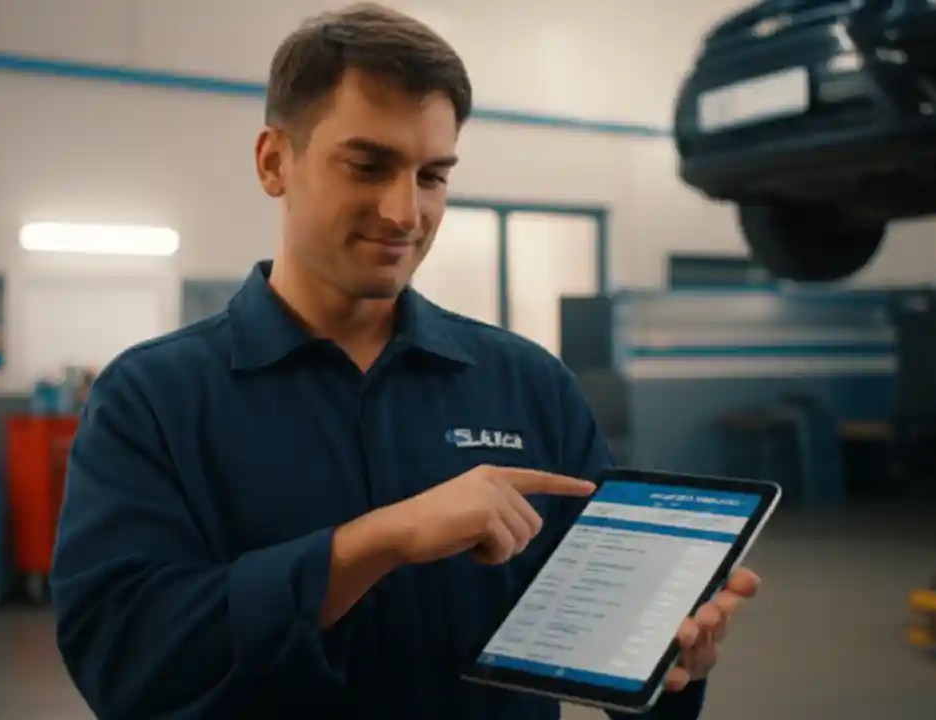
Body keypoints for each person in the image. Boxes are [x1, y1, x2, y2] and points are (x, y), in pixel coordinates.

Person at [51, 4, 761, 718]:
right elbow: (125, 656)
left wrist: (672, 666)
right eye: (369, 165)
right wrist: (373, 544)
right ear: (274, 162)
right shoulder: (153, 398)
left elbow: (611, 639)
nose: (404, 212)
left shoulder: (526, 383)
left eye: (432, 175)